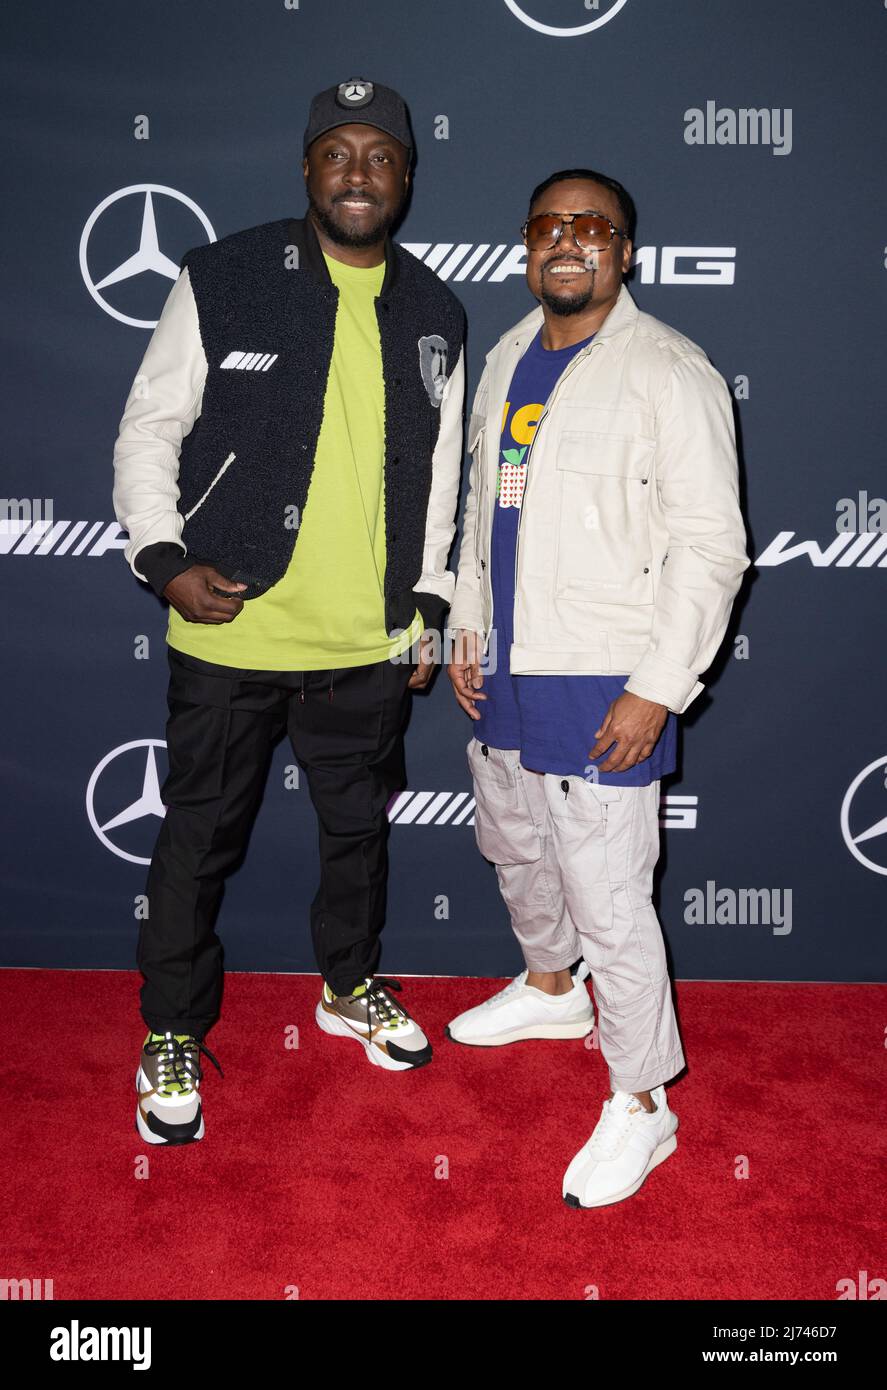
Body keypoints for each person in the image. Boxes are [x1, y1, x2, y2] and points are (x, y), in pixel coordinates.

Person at [112, 78, 466, 1146]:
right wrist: (161, 557)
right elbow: (148, 426)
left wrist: (430, 603)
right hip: (231, 626)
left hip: (367, 638)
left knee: (356, 838)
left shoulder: (434, 307)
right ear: (306, 168)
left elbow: (442, 475)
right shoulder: (223, 274)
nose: (358, 173)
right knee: (197, 839)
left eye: (380, 156)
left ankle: (346, 985)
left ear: (407, 174)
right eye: (336, 153)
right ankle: (171, 1027)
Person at [446, 168, 748, 1208]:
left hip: (602, 676)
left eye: (591, 228)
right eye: (544, 228)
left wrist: (656, 686)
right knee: (512, 841)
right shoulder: (502, 356)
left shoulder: (670, 371)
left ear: (625, 252)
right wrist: (465, 623)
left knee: (611, 901)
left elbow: (711, 549)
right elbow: (484, 510)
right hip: (508, 661)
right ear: (524, 248)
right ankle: (547, 990)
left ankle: (641, 1102)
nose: (564, 243)